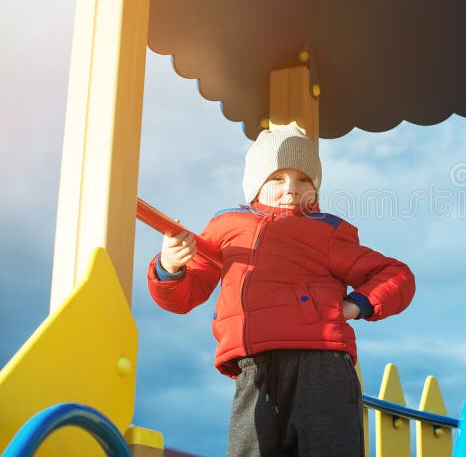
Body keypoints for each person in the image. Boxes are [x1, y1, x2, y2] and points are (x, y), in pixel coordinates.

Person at [147, 125, 416, 457]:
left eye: (303, 179)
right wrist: (170, 266)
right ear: (255, 184)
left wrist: (355, 304)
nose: (290, 188)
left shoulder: (326, 231)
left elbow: (396, 274)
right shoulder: (226, 226)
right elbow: (183, 297)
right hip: (255, 366)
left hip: (321, 363)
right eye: (276, 178)